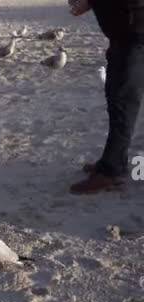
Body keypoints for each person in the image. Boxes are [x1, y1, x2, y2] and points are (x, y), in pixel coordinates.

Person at [69, 0, 144, 194]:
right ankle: (112, 160)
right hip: (123, 35)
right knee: (114, 97)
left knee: (123, 102)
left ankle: (112, 172)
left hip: (137, 33)